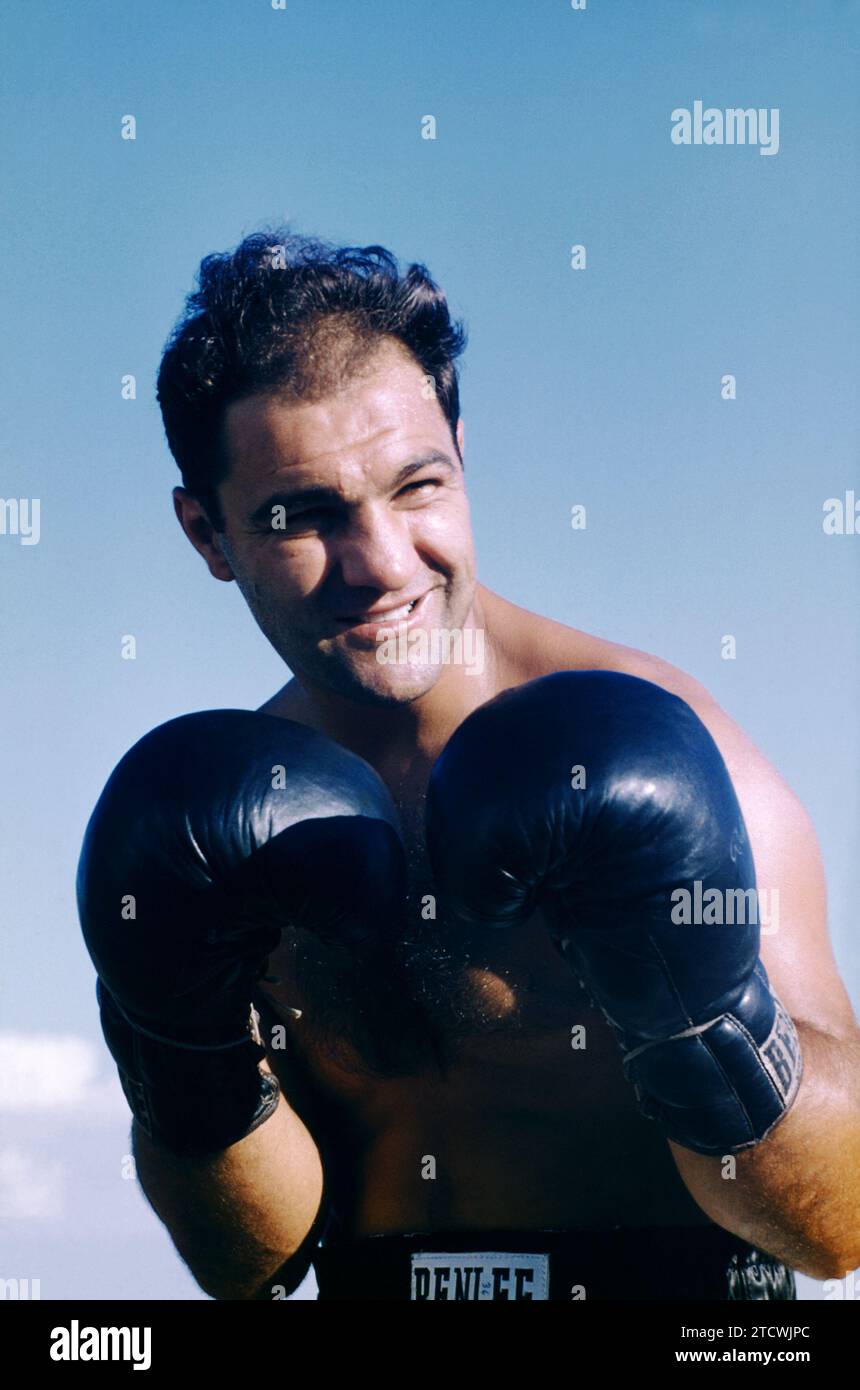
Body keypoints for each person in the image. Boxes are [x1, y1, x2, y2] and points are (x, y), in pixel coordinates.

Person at [77, 230, 860, 1301]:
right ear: (206, 534)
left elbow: (838, 1227)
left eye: (415, 486)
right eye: (299, 516)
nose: (381, 564)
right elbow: (247, 1263)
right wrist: (179, 1059)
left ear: (462, 450)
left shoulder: (664, 746)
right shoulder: (220, 825)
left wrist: (711, 1029)